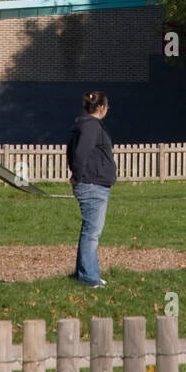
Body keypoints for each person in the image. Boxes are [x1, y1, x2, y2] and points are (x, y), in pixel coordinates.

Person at [66, 90, 116, 288]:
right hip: (92, 185)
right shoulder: (91, 127)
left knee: (90, 231)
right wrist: (78, 176)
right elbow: (80, 153)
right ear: (101, 107)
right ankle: (89, 278)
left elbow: (70, 150)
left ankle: (88, 272)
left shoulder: (84, 125)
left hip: (92, 183)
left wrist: (76, 175)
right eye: (107, 106)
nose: (107, 109)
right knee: (91, 233)